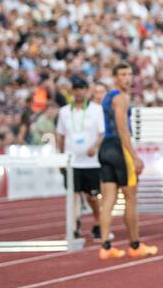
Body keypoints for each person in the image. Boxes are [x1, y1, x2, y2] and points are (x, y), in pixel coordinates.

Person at [95, 62, 157, 260]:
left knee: (108, 200)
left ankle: (105, 246)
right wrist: (133, 155)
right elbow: (123, 129)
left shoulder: (107, 97)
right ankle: (135, 244)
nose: (127, 78)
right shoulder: (121, 98)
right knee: (130, 197)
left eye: (129, 74)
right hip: (118, 148)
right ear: (115, 77)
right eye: (122, 74)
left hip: (105, 148)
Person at [56, 75, 105, 240]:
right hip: (72, 161)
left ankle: (98, 220)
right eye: (75, 89)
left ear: (86, 91)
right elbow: (60, 135)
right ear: (72, 92)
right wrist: (60, 157)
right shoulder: (64, 112)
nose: (78, 92)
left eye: (81, 89)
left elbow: (102, 133)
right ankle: (74, 225)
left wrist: (95, 147)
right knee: (73, 194)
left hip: (91, 162)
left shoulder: (96, 109)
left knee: (92, 196)